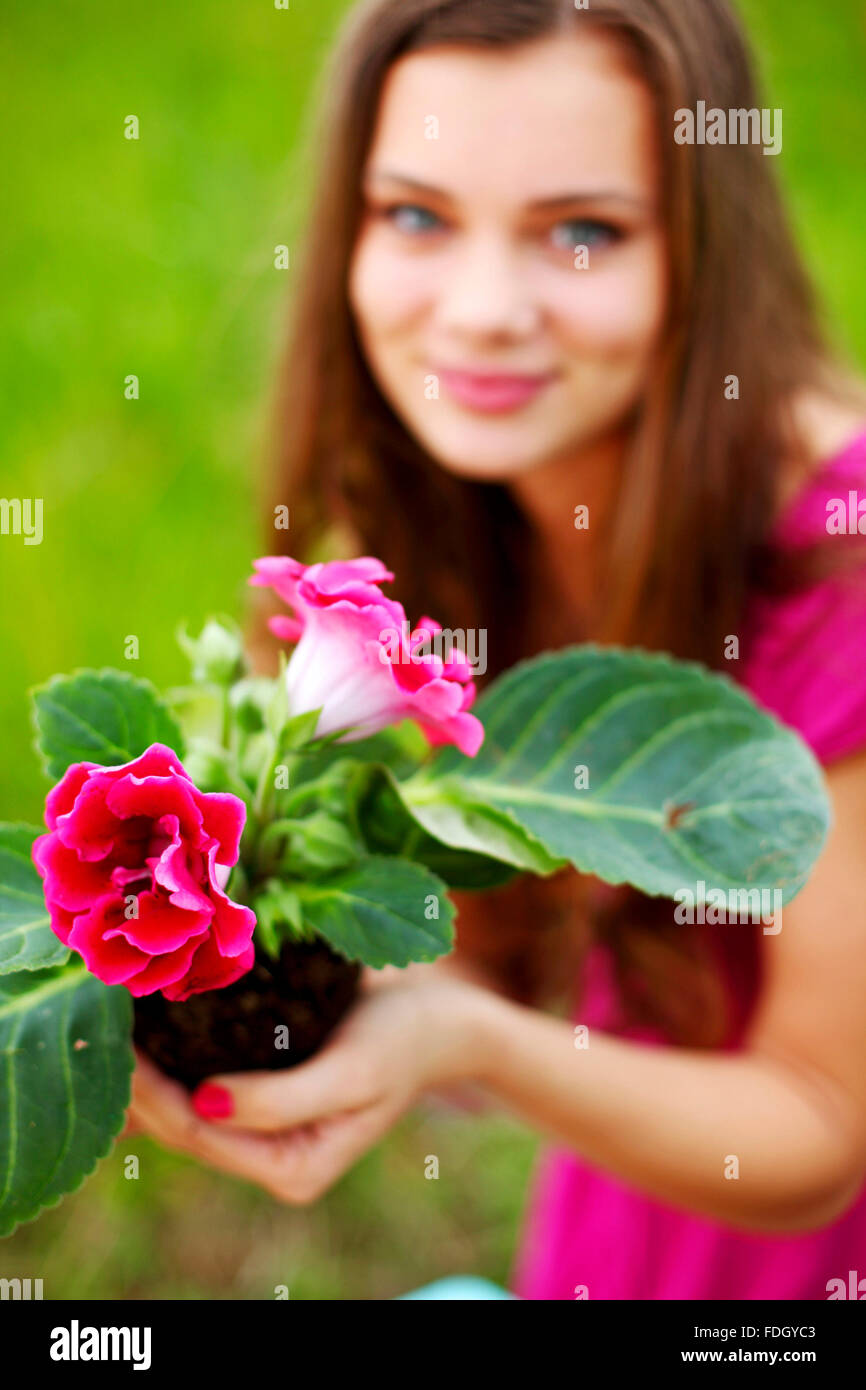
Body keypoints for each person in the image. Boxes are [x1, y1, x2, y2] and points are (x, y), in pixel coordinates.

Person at [130, 0, 866, 1300]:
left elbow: (814, 1127)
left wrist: (466, 1041)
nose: (477, 312)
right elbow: (463, 932)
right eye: (414, 214)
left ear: (706, 248)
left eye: (581, 233)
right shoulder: (446, 495)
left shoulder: (841, 573)